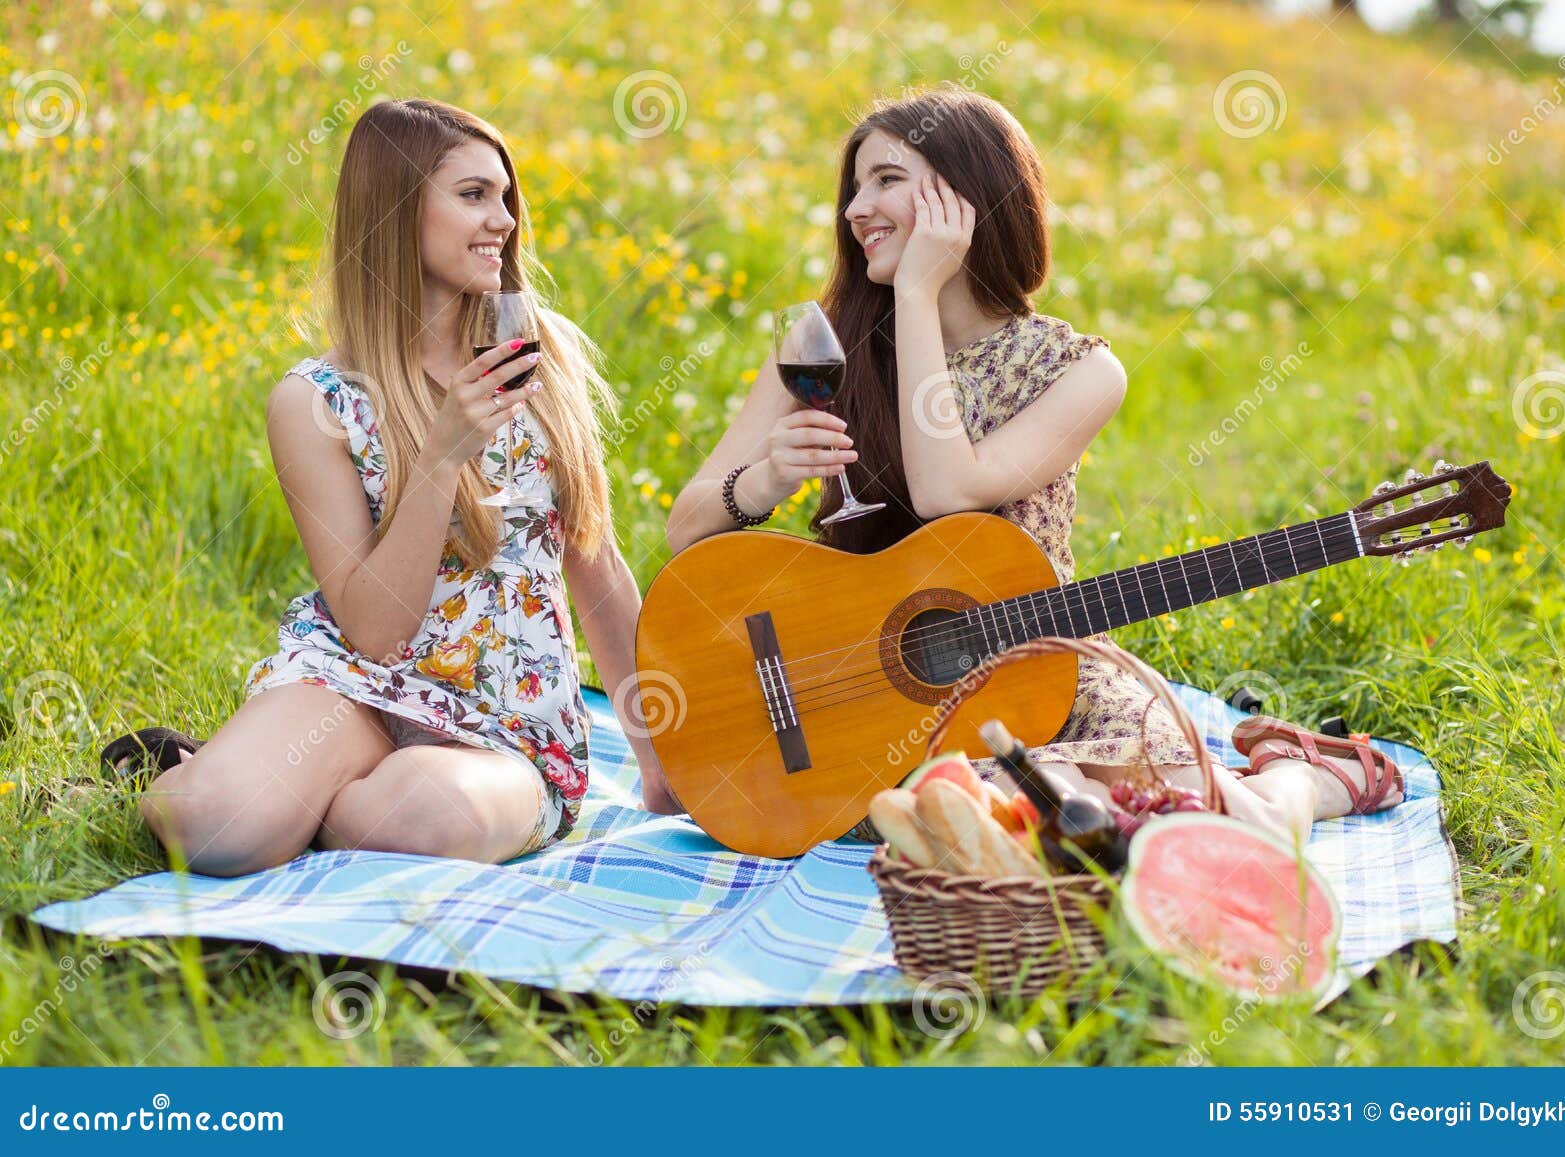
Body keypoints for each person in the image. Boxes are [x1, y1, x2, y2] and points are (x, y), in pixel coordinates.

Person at [663, 85, 1401, 848]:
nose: (855, 207)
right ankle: (1063, 791)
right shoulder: (821, 349)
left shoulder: (1077, 370)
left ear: (968, 195)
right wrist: (762, 483)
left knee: (1231, 832)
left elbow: (947, 489)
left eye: (886, 178)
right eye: (854, 185)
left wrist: (918, 293)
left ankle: (1301, 775)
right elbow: (686, 526)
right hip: (862, 694)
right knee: (1035, 820)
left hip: (1044, 668)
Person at [113, 98, 676, 878]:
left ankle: (312, 798)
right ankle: (214, 771)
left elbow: (598, 565)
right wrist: (442, 458)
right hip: (360, 686)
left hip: (503, 721)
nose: (505, 220)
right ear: (395, 211)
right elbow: (375, 633)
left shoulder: (540, 361)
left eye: (506, 196)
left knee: (419, 814)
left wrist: (661, 763)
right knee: (214, 828)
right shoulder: (315, 403)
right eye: (474, 195)